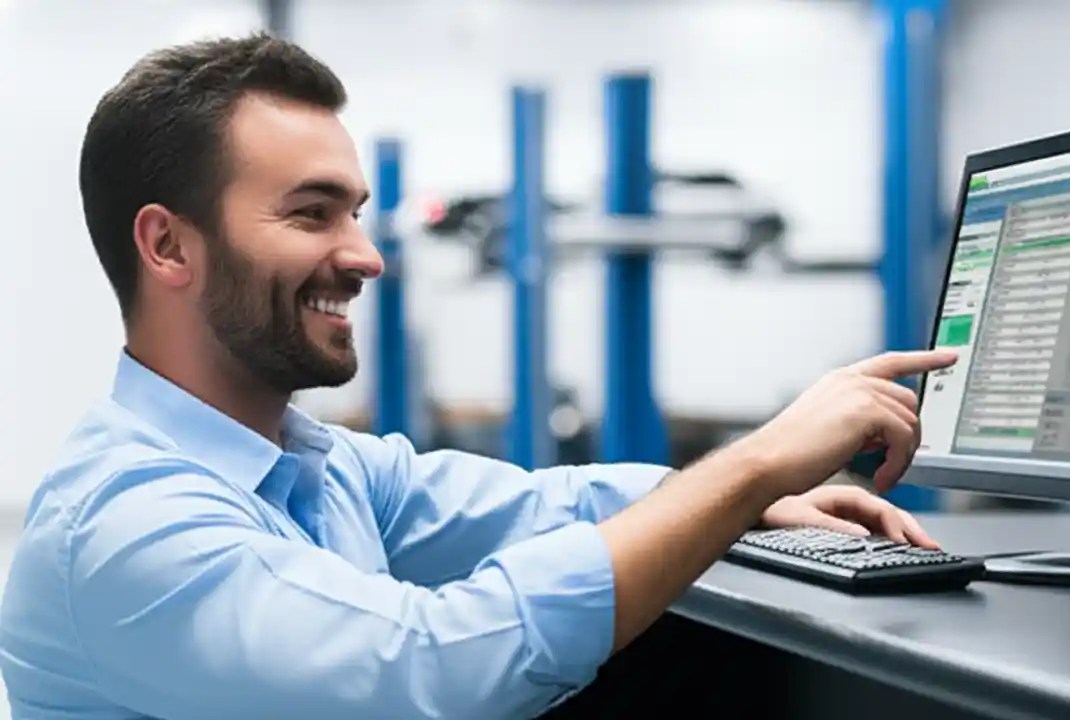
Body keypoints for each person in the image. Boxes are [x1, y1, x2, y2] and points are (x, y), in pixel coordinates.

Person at [0, 33, 956, 720]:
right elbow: (436, 668)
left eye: (357, 213)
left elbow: (546, 505)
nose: (366, 257)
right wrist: (755, 465)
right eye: (311, 214)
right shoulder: (129, 529)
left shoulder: (312, 467)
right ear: (169, 246)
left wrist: (752, 501)